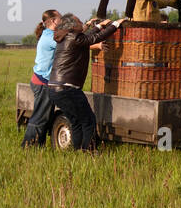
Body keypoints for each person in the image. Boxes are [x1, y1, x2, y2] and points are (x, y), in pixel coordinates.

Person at [48, 12, 125, 150]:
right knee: (88, 120)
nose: (81, 23)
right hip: (68, 88)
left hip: (55, 88)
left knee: (75, 121)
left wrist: (99, 26)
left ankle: (77, 150)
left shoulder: (65, 36)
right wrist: (116, 24)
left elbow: (88, 36)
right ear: (71, 26)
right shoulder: (73, 37)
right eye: (78, 22)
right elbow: (95, 38)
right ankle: (89, 150)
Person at [21, 9, 61, 147]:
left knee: (44, 116)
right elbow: (70, 46)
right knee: (40, 117)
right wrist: (95, 44)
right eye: (59, 18)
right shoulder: (49, 38)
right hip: (43, 82)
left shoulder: (50, 34)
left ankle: (39, 145)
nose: (61, 21)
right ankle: (29, 146)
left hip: (42, 81)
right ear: (52, 21)